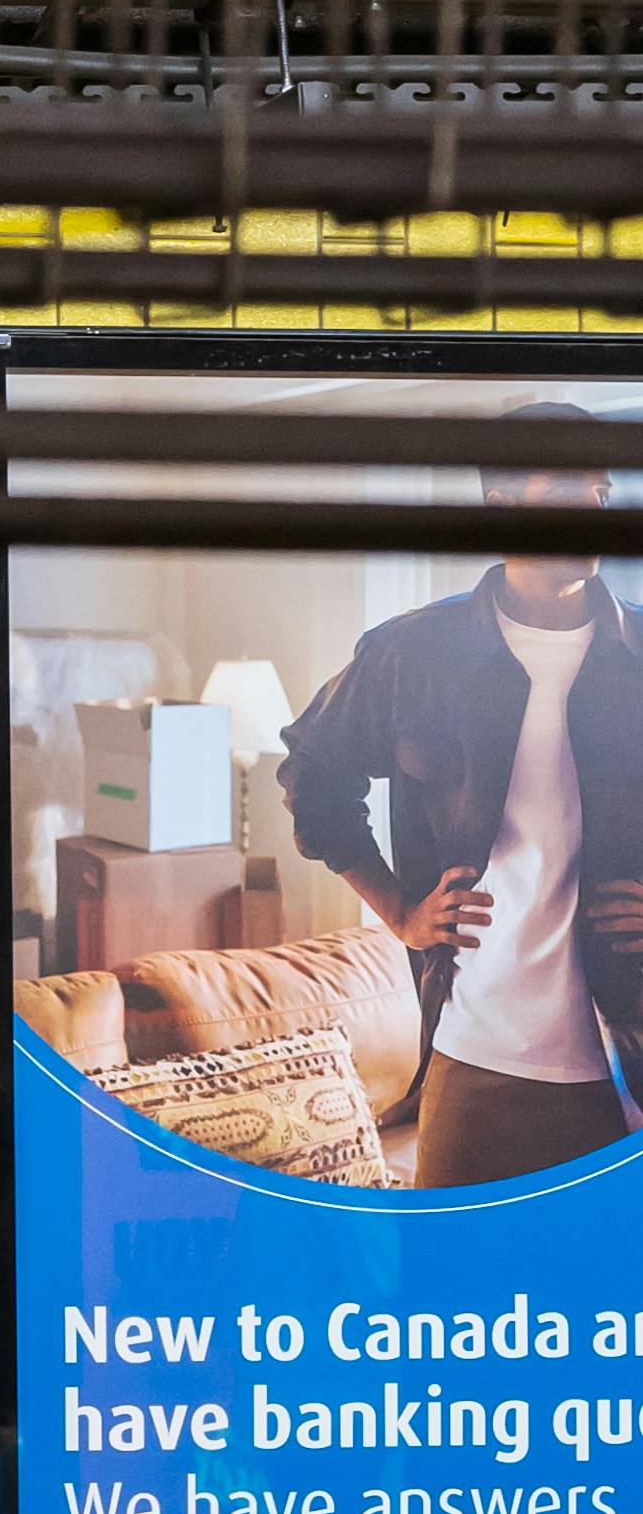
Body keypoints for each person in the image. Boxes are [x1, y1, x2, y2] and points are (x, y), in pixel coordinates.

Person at [276, 406, 643, 1188]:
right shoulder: (411, 653)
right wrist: (399, 913)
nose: (598, 513)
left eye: (605, 493)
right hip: (478, 1062)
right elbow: (313, 780)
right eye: (570, 491)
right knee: (453, 1302)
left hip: (631, 1064)